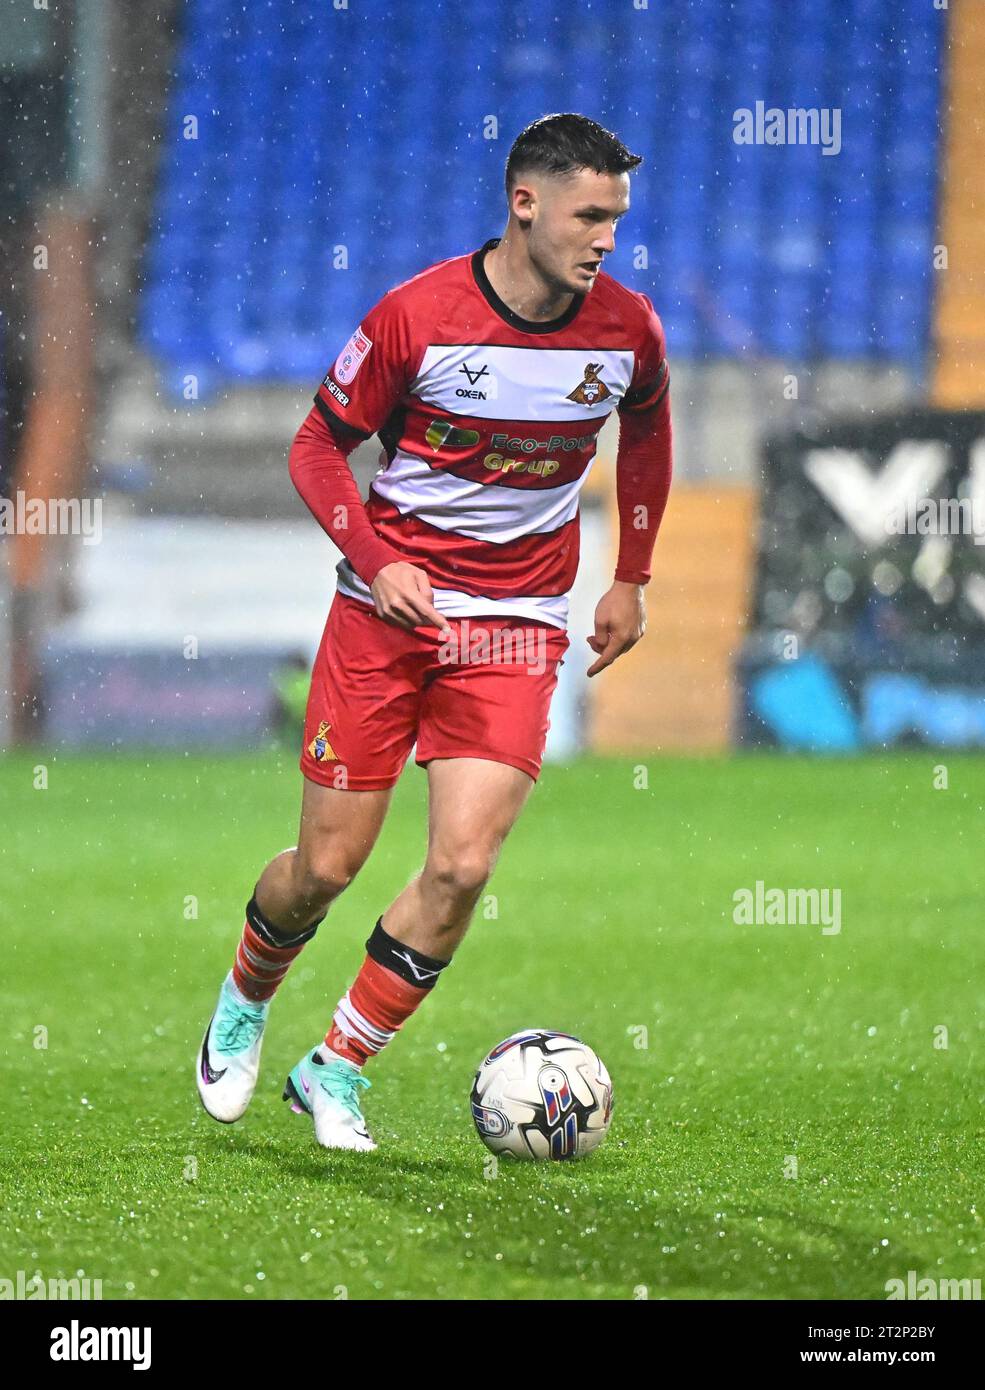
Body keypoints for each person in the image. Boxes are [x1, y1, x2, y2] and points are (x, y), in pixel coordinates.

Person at [196, 113, 673, 1152]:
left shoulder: (627, 330)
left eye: (616, 219)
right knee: (326, 866)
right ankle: (246, 991)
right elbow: (318, 449)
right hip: (383, 618)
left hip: (513, 623)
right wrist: (379, 560)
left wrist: (630, 575)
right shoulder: (418, 316)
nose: (606, 239)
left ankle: (335, 1067)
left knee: (462, 865)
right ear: (525, 204)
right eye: (589, 216)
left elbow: (646, 433)